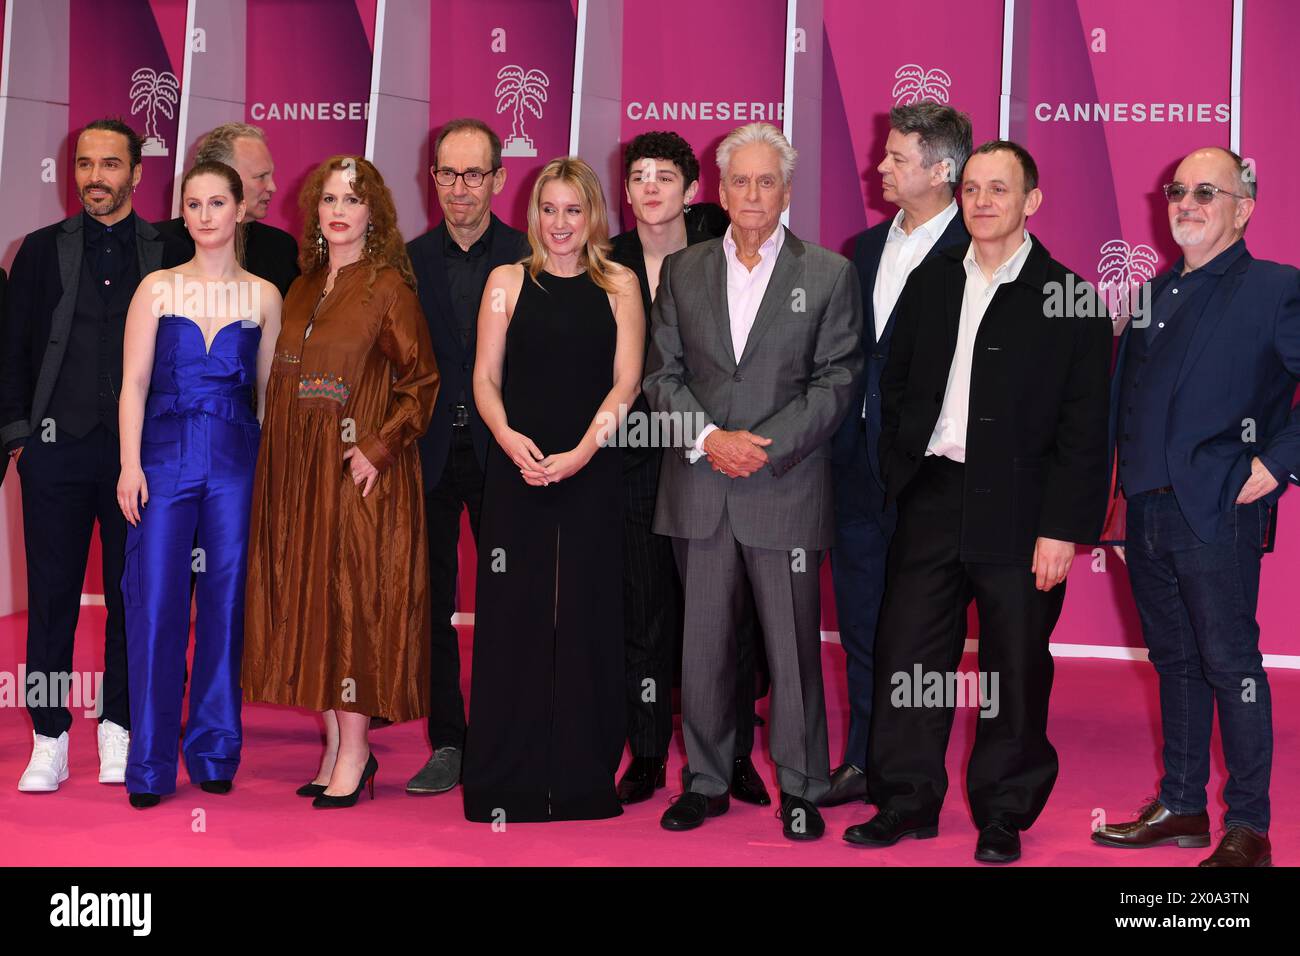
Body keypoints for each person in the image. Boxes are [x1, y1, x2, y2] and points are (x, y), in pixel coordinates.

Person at [846, 141, 1111, 863]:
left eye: (1001, 188)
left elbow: (1088, 431)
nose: (983, 200)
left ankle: (1004, 812)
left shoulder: (1070, 297)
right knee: (907, 656)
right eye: (971, 188)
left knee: (1014, 665)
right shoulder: (931, 285)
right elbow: (895, 385)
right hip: (933, 495)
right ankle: (905, 799)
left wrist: (1062, 529)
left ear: (1033, 201)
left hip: (1025, 513)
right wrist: (904, 472)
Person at [644, 122, 863, 840]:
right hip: (702, 485)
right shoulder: (683, 270)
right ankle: (704, 780)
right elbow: (662, 376)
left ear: (787, 192)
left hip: (784, 486)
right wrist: (711, 440)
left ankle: (801, 786)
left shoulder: (828, 274)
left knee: (794, 651)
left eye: (767, 181)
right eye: (740, 180)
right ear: (720, 188)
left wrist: (761, 449)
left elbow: (838, 381)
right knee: (700, 648)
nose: (752, 195)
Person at [1091, 147, 1299, 868]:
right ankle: (1182, 805)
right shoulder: (1154, 292)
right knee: (1173, 660)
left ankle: (1250, 826)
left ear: (1244, 209)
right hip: (1143, 512)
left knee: (1229, 662)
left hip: (1218, 510)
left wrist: (1277, 462)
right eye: (1178, 189)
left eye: (1206, 191)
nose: (1186, 201)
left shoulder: (1275, 289)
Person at [242, 156, 439, 808]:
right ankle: (332, 745)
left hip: (358, 476)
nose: (338, 209)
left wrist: (377, 450)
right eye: (328, 197)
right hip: (296, 473)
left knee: (350, 607)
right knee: (307, 605)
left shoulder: (387, 288)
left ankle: (357, 750)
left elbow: (421, 385)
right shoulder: (301, 287)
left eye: (352, 199)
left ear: (372, 213)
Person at [1, 119, 189, 792]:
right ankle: (49, 736)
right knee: (50, 600)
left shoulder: (169, 251)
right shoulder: (40, 251)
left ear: (137, 174)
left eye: (110, 164)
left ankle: (119, 725)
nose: (95, 177)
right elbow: (13, 348)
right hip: (55, 455)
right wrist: (22, 439)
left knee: (131, 596)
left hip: (139, 458)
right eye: (85, 164)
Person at [462, 157, 644, 823]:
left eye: (573, 210)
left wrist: (583, 452)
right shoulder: (506, 280)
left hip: (591, 467)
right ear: (533, 214)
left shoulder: (621, 283)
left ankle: (578, 777)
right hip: (519, 466)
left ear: (592, 213)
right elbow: (484, 376)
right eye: (548, 209)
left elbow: (626, 383)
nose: (560, 223)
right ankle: (506, 776)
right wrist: (509, 440)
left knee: (588, 616)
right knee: (515, 615)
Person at [609, 130, 771, 807]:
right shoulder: (602, 263)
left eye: (665, 177)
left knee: (726, 618)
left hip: (713, 461)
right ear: (625, 192)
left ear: (692, 190)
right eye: (638, 176)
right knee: (644, 613)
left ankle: (733, 754)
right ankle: (647, 751)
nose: (651, 187)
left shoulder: (721, 257)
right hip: (634, 466)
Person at [115, 161, 282, 807]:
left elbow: (268, 398)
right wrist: (130, 465)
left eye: (218, 202)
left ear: (241, 209)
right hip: (161, 461)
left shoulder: (265, 296)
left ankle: (215, 749)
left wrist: (263, 473)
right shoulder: (156, 288)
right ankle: (150, 766)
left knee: (226, 607)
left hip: (237, 465)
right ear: (181, 213)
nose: (206, 214)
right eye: (194, 203)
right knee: (153, 607)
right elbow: (131, 383)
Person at [825, 103, 972, 808]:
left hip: (932, 473)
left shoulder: (977, 252)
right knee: (860, 619)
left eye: (896, 158)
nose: (879, 167)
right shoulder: (861, 248)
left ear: (942, 171)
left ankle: (909, 773)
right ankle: (860, 759)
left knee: (921, 635)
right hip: (856, 463)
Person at [403, 119, 528, 796]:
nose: (459, 188)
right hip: (426, 457)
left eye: (473, 174)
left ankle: (505, 736)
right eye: (447, 174)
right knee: (431, 604)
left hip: (503, 453)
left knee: (511, 597)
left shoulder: (531, 255)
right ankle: (448, 741)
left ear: (498, 179)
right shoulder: (406, 259)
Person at [155, 123, 298, 298]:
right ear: (221, 174)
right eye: (261, 176)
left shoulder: (281, 248)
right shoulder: (155, 244)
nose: (272, 187)